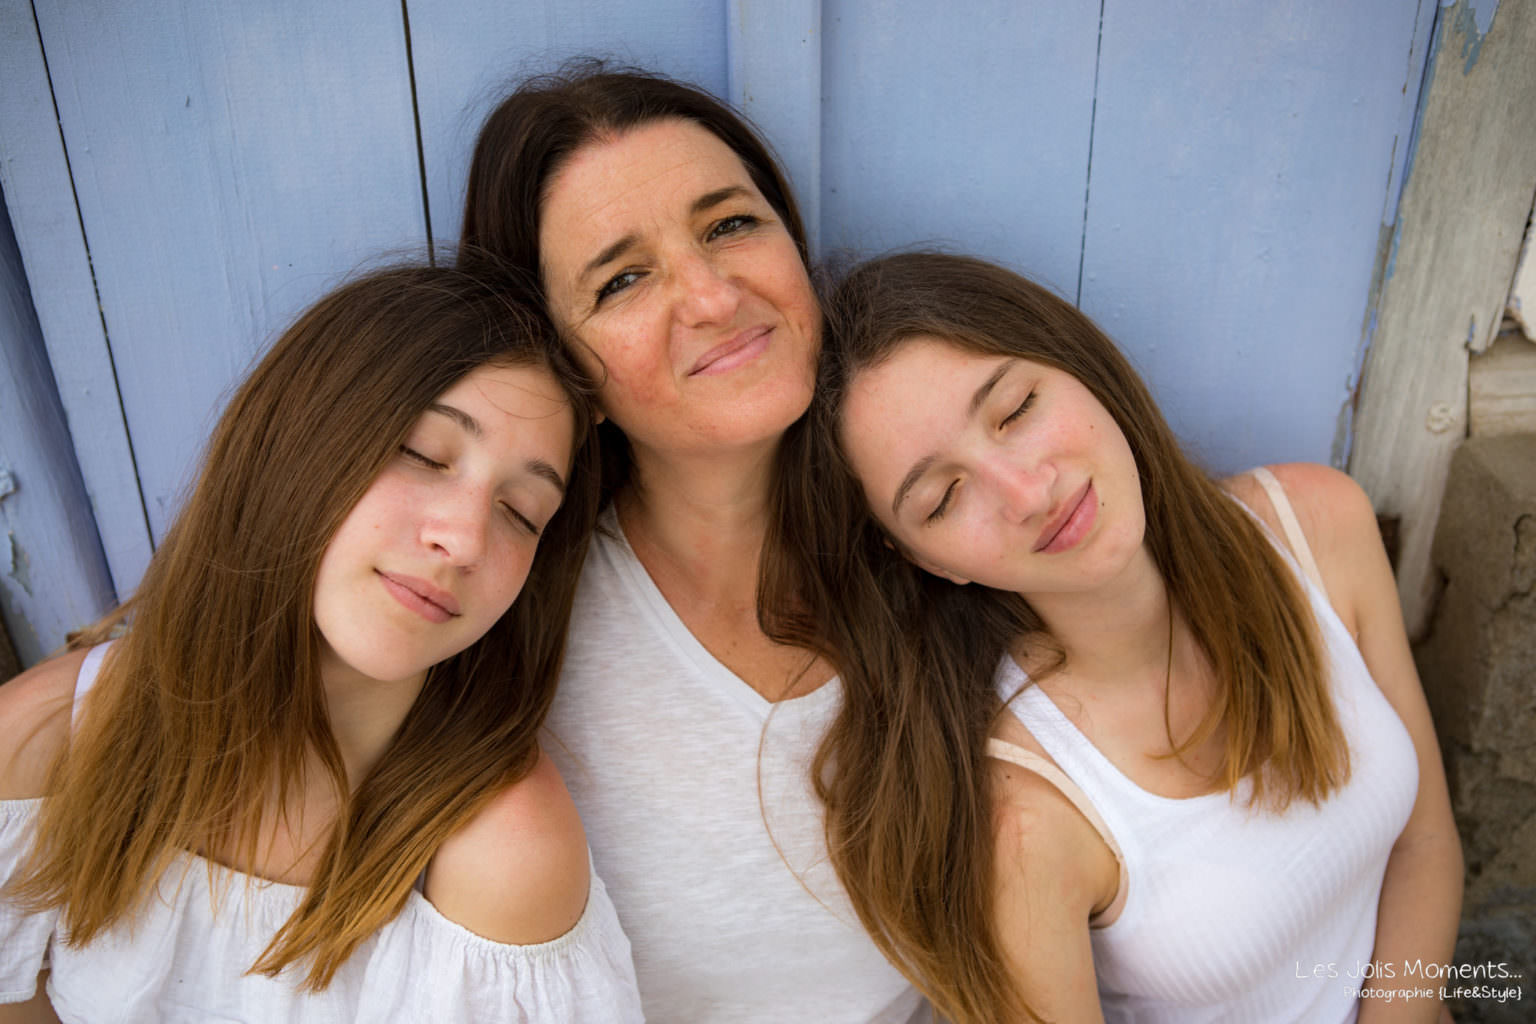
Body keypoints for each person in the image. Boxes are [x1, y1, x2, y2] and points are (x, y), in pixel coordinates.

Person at [786, 251, 1464, 1023]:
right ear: (921, 559)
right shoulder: (1026, 818)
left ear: (1079, 366)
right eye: (943, 498)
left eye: (1015, 410)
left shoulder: (1317, 523)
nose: (1027, 492)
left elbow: (1425, 845)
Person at [0, 262, 642, 1022]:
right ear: (295, 441)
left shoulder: (501, 850)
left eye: (521, 512)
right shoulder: (42, 740)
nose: (465, 539)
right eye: (424, 456)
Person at [461, 62, 927, 1022]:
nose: (713, 295)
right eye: (623, 279)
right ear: (562, 367)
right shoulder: (507, 621)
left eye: (730, 225)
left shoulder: (947, 523)